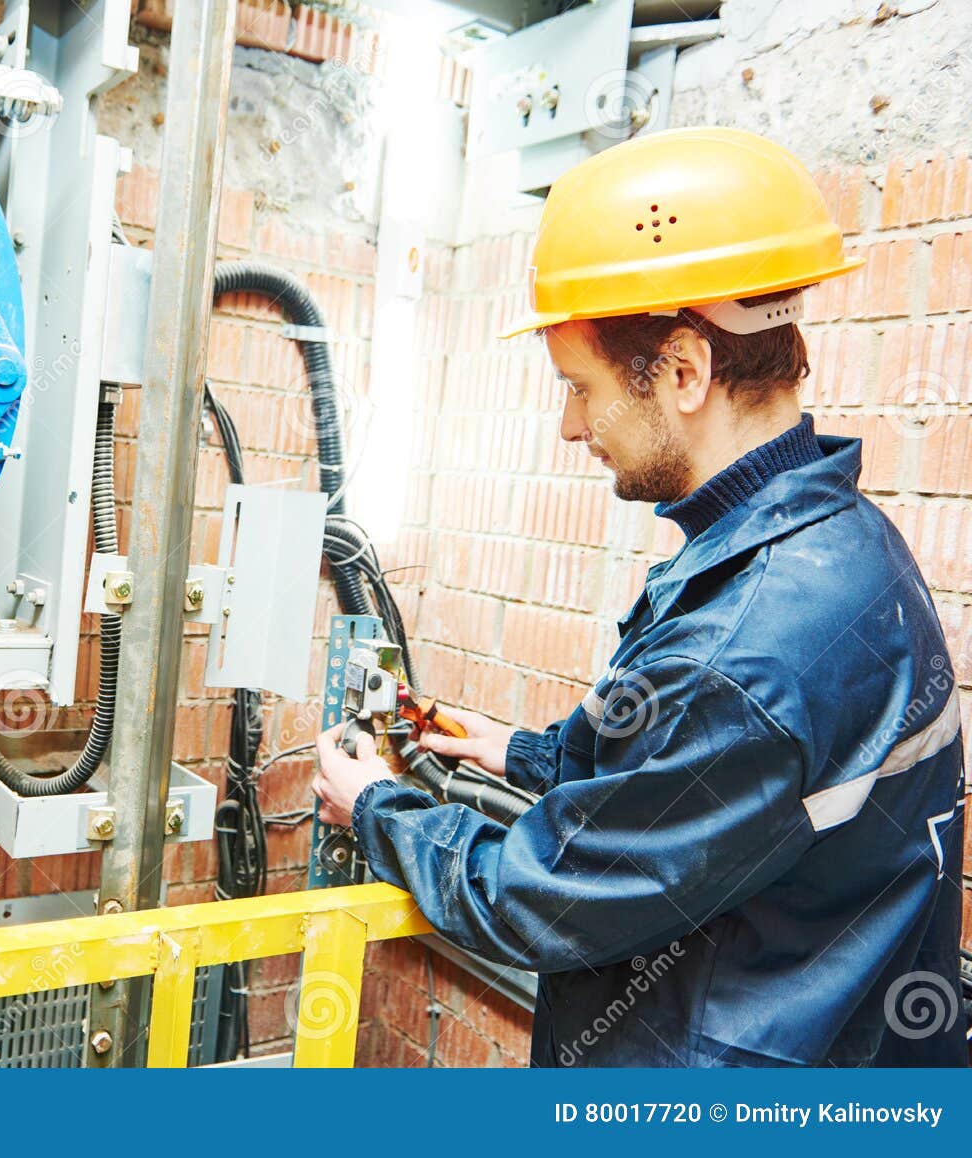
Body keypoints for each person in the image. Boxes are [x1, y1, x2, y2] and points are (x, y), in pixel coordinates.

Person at [312, 127, 967, 1067]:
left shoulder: (748, 648)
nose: (571, 426)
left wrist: (378, 806)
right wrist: (525, 754)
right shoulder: (838, 548)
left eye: (579, 388)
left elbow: (550, 900)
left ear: (686, 371)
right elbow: (718, 795)